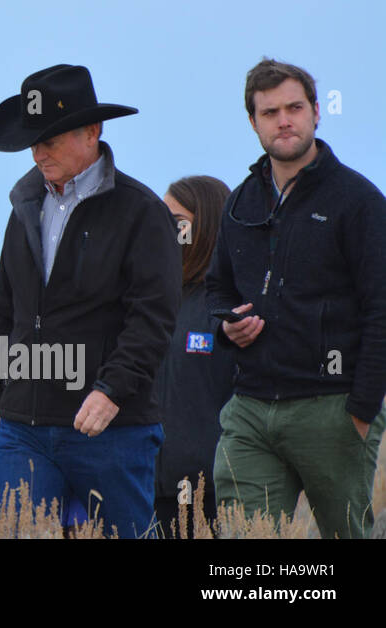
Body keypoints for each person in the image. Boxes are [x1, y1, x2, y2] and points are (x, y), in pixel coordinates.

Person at [0, 64, 179, 539]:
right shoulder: (23, 209)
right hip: (23, 427)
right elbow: (6, 317)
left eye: (51, 137)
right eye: (33, 139)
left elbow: (152, 318)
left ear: (93, 131)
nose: (37, 151)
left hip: (111, 429)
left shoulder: (143, 212)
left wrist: (111, 390)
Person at [209, 57, 386, 539]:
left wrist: (361, 411)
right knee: (245, 541)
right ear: (253, 122)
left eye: (294, 107)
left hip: (332, 405)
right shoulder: (240, 200)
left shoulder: (359, 200)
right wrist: (226, 326)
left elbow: (381, 310)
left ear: (316, 113)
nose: (283, 120)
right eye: (269, 112)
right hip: (249, 406)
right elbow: (217, 288)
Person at [153, 175, 234, 539]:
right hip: (143, 483)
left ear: (208, 225)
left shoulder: (231, 305)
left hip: (213, 491)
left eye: (177, 222)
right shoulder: (148, 298)